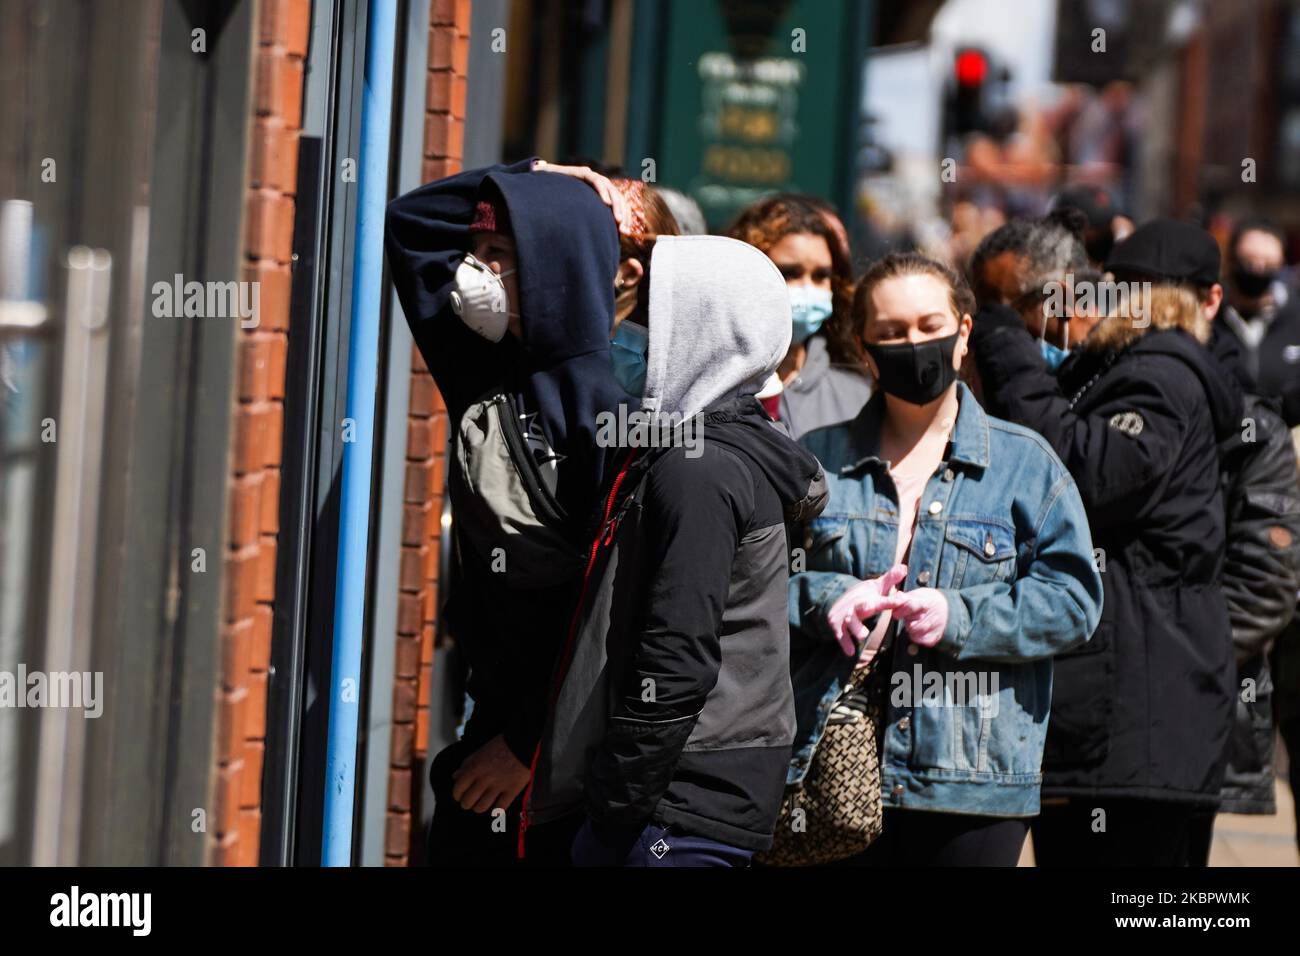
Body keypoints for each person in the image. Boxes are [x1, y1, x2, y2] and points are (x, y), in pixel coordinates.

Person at [384, 158, 672, 865]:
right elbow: (411, 222)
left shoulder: (612, 413)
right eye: (475, 252)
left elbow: (609, 610)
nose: (472, 270)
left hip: (554, 750)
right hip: (489, 714)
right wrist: (539, 174)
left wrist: (525, 744)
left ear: (555, 264)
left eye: (498, 255)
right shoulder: (482, 366)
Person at [521, 235, 829, 867]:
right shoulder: (708, 448)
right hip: (690, 792)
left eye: (646, 316)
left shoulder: (700, 468)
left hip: (677, 802)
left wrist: (614, 807)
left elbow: (678, 654)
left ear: (698, 330)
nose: (627, 333)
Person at [787, 251, 1103, 866]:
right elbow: (756, 583)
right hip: (822, 761)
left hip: (971, 781)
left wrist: (958, 615)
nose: (914, 344)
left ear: (963, 333)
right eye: (892, 332)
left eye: (930, 326)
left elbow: (1073, 599)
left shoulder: (1025, 462)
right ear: (865, 344)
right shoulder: (814, 460)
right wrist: (828, 597)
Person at [972, 219, 1245, 866]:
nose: (999, 325)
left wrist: (1006, 349)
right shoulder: (1114, 372)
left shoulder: (1159, 375)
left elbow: (1086, 475)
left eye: (1011, 308)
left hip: (1136, 726)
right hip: (1115, 721)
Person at [728, 195, 872, 437]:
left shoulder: (858, 398)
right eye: (790, 273)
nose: (807, 289)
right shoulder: (714, 390)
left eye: (820, 276)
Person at [1216, 218, 1300, 425]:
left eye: (1268, 265)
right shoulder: (1208, 320)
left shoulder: (1296, 317)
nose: (1258, 270)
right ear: (1231, 261)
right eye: (1249, 262)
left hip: (1285, 448)